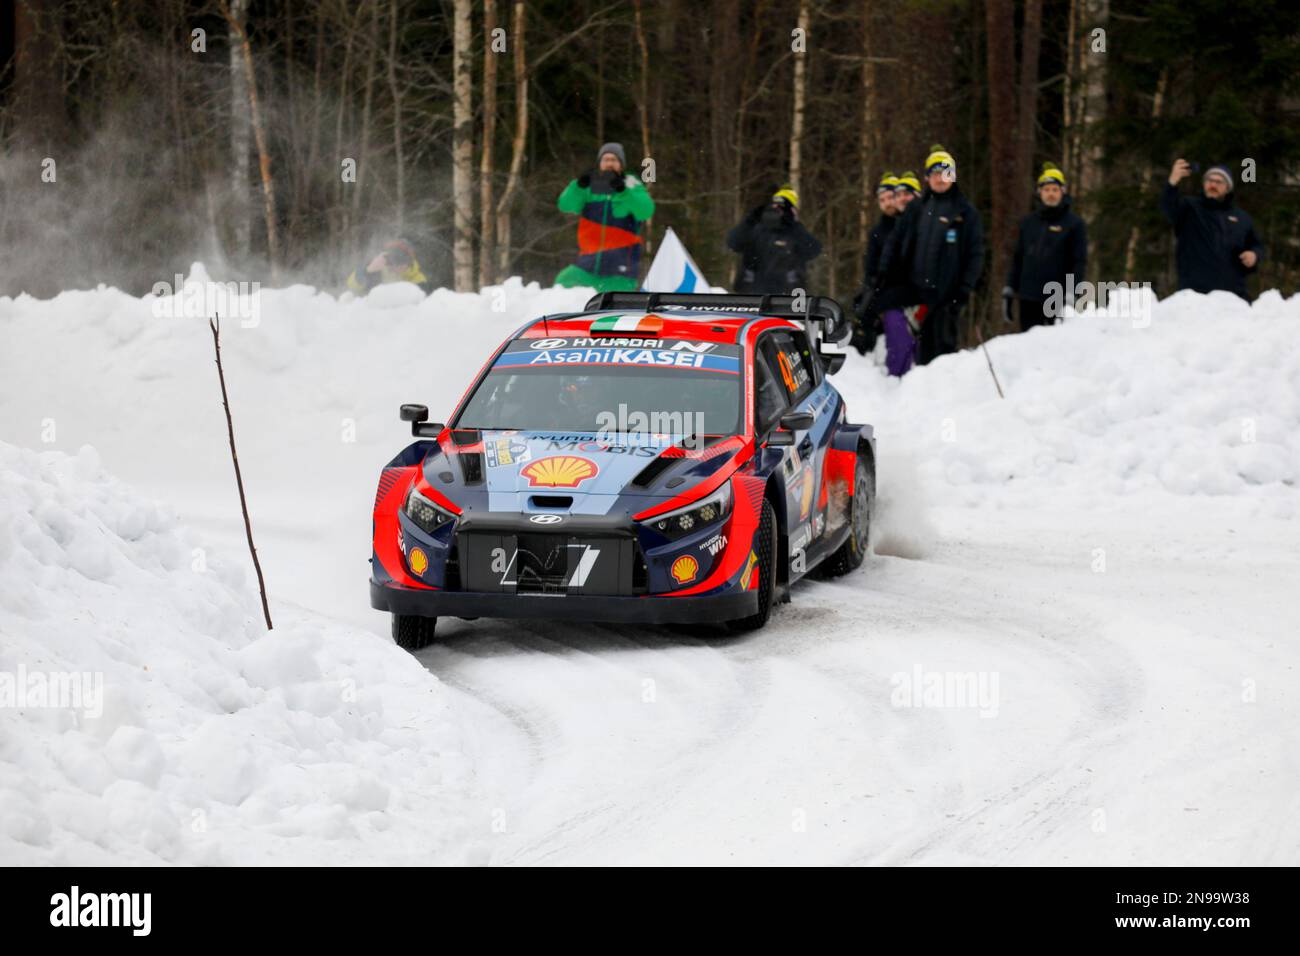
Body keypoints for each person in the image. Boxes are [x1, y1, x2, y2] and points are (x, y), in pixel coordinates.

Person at [875, 145, 984, 372]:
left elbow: (975, 253)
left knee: (943, 348)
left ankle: (945, 393)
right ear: (927, 177)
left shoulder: (965, 211)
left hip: (948, 293)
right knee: (919, 348)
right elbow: (896, 242)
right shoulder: (917, 207)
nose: (941, 179)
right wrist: (885, 273)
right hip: (916, 290)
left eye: (946, 173)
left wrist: (965, 287)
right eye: (936, 173)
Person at [555, 142, 656, 292]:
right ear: (599, 163)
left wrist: (623, 191)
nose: (609, 163)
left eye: (614, 160)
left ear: (621, 164)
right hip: (588, 264)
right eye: (605, 159)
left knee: (613, 310)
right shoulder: (589, 186)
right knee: (562, 283)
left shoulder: (631, 184)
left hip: (620, 269)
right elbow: (565, 205)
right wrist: (578, 186)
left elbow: (646, 211)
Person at [1161, 160, 1264, 300]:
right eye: (1209, 180)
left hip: (1233, 296)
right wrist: (1172, 182)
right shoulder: (1189, 208)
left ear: (1228, 188)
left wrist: (1254, 255)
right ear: (1204, 184)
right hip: (1194, 294)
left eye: (1219, 182)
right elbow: (1168, 207)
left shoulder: (1242, 218)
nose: (1213, 184)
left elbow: (1256, 245)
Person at [1003, 162, 1088, 331]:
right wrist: (1009, 289)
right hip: (1028, 297)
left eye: (1055, 190)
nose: (1051, 194)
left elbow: (1078, 261)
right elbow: (1018, 258)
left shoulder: (1074, 224)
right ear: (1039, 192)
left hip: (1057, 298)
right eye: (1047, 190)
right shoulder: (1028, 223)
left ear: (1062, 192)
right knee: (1028, 347)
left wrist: (1072, 293)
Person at [726, 186, 823, 295]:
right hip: (752, 294)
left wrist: (793, 224)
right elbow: (733, 243)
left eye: (782, 209)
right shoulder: (754, 231)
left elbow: (814, 250)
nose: (776, 213)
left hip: (789, 295)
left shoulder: (794, 233)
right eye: (773, 207)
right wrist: (750, 220)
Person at [850, 172, 899, 354]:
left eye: (890, 197)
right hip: (881, 288)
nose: (887, 202)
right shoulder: (877, 232)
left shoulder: (910, 223)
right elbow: (870, 268)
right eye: (882, 199)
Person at [345, 238, 429, 294]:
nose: (398, 266)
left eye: (403, 260)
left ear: (410, 261)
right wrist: (368, 270)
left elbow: (422, 299)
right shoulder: (376, 270)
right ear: (389, 259)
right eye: (396, 260)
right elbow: (351, 287)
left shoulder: (416, 278)